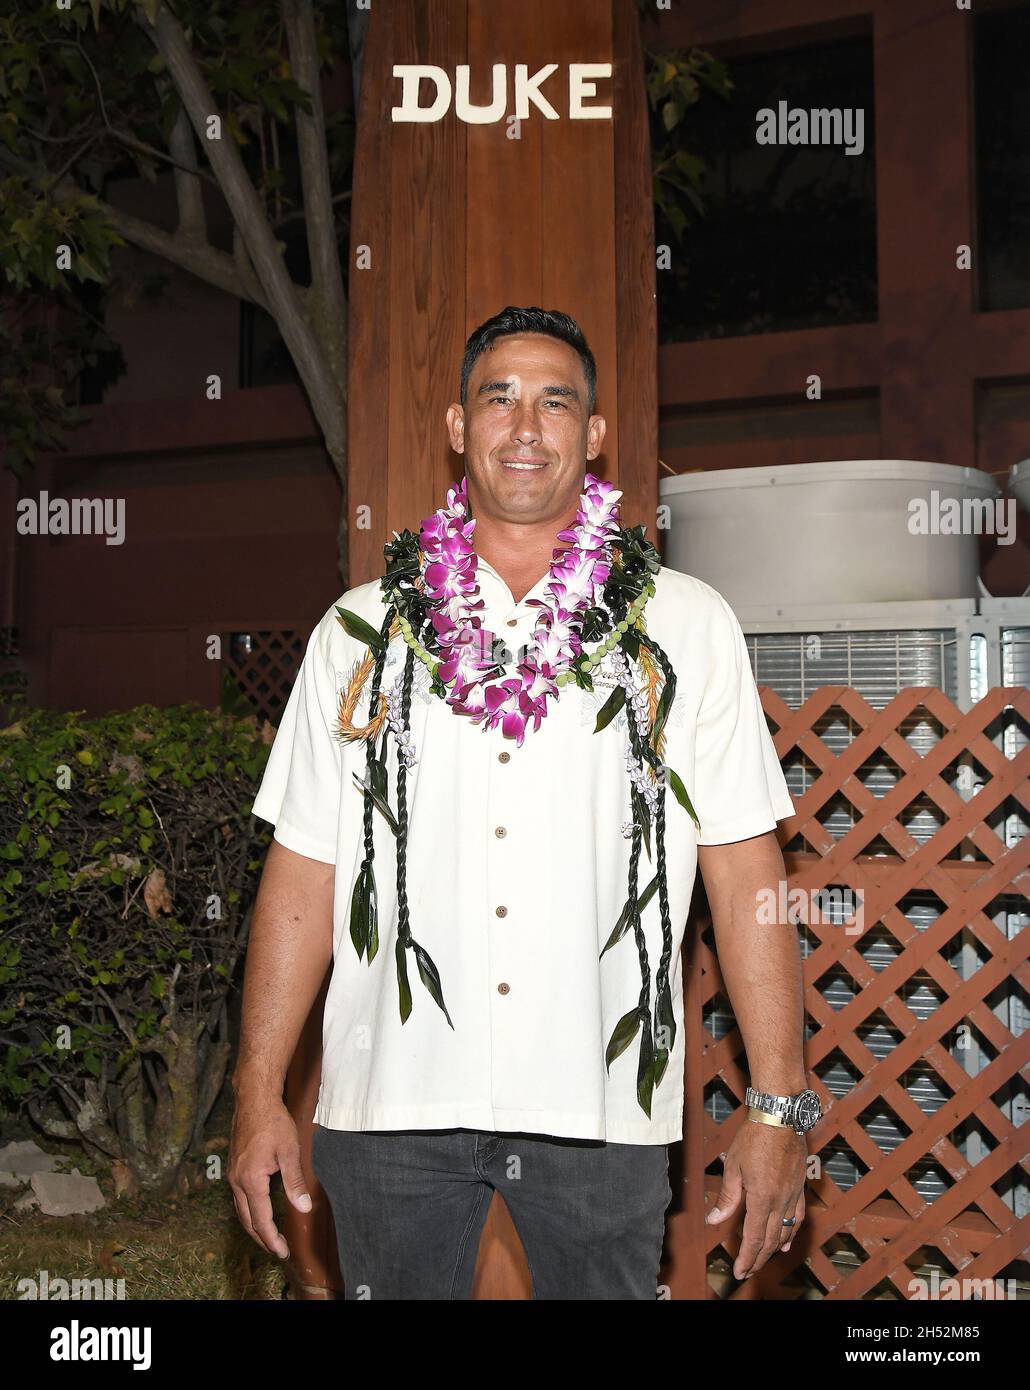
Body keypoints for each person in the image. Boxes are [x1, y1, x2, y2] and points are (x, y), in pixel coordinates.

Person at [229, 306, 815, 1300]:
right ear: (458, 425)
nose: (526, 426)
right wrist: (257, 1090)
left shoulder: (683, 621)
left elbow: (744, 867)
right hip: (390, 1105)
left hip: (597, 1106)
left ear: (593, 436)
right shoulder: (362, 631)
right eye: (499, 398)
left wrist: (779, 1102)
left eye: (556, 401)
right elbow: (305, 868)